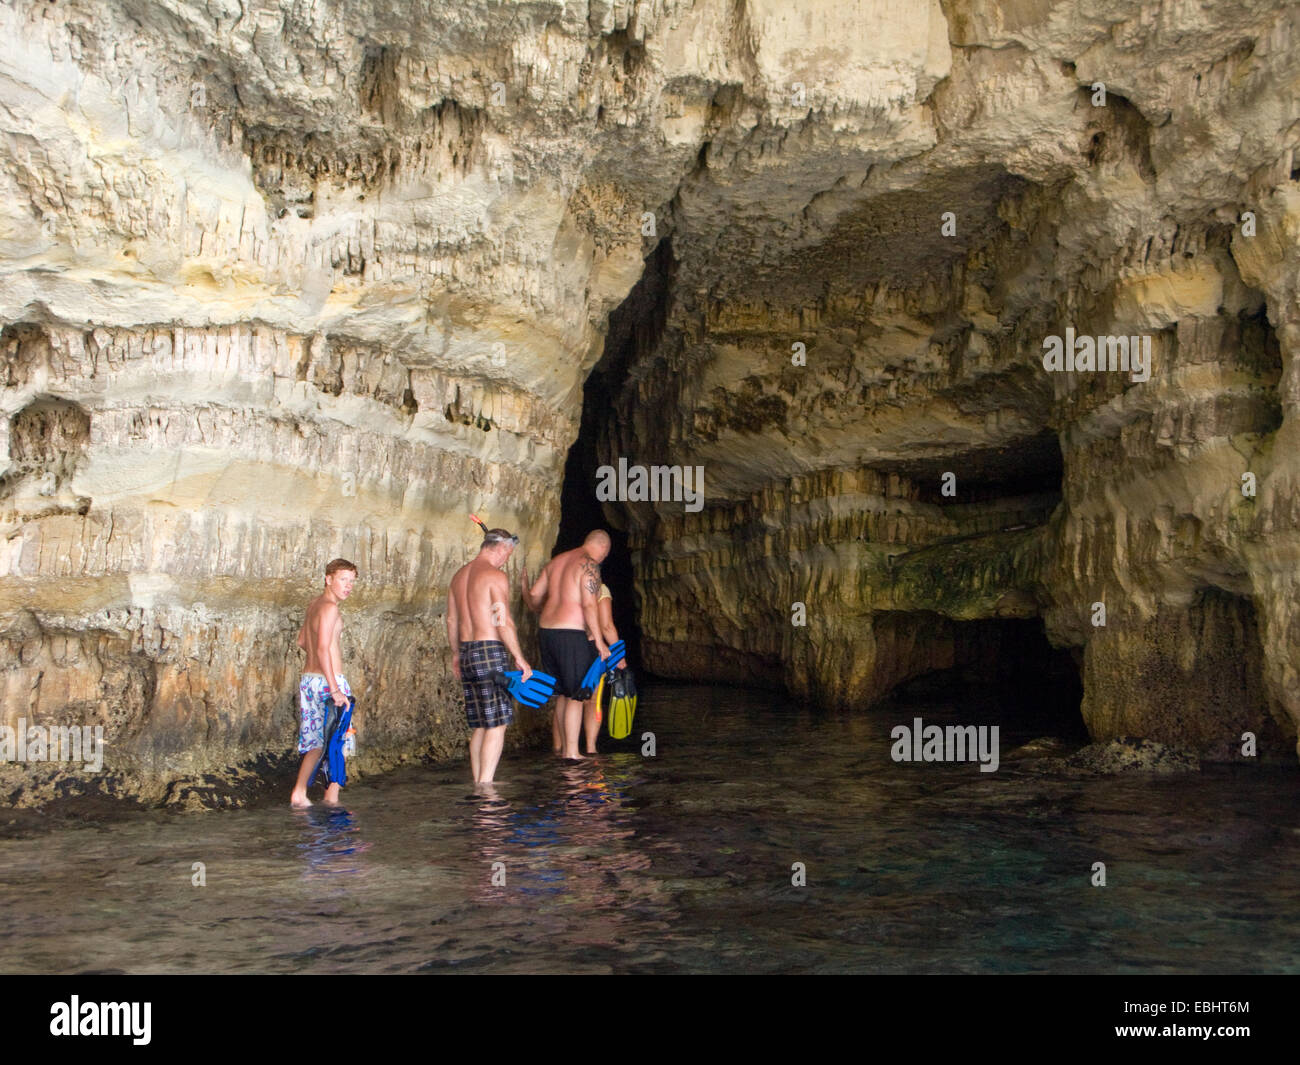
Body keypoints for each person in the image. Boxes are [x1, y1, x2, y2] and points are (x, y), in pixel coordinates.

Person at [448, 525, 533, 784]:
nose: (507, 559)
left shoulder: (459, 576)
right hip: (489, 651)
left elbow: (452, 620)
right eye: (508, 553)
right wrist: (518, 656)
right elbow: (502, 620)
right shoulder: (494, 576)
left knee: (481, 724)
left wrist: (455, 655)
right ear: (500, 548)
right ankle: (486, 787)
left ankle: (479, 781)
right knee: (497, 723)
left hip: (466, 651)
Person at [521, 530, 610, 760]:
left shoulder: (556, 562)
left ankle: (561, 750)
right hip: (571, 634)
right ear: (604, 549)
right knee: (577, 694)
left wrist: (522, 586)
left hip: (546, 632)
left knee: (561, 693)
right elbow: (590, 606)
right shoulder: (589, 565)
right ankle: (572, 753)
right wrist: (599, 641)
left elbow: (533, 598)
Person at [291, 558, 357, 808]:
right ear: (328, 579)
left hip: (309, 681)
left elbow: (301, 641)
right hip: (329, 682)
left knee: (316, 742)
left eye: (352, 581)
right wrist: (336, 688)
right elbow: (321, 649)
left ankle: (299, 793)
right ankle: (332, 800)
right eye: (343, 579)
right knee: (339, 740)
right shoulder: (329, 608)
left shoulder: (314, 604)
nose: (348, 586)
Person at [582, 582, 626, 755]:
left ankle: (560, 748)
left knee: (567, 699)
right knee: (593, 700)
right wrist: (618, 654)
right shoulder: (600, 588)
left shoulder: (564, 584)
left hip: (567, 644)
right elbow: (606, 625)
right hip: (593, 646)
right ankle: (591, 748)